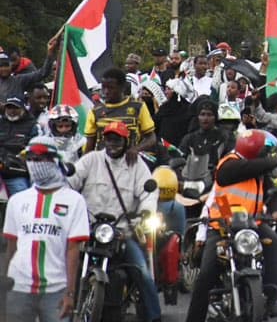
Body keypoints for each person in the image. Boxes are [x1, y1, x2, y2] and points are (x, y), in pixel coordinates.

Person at [185, 129, 277, 321]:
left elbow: (272, 190)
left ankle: (275, 295)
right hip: (222, 226)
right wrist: (273, 161)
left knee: (274, 243)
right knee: (206, 275)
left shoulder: (259, 170)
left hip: (252, 224)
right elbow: (240, 171)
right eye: (264, 152)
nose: (266, 155)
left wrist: (276, 210)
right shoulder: (228, 164)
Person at [68, 121, 161, 322]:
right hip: (88, 228)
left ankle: (154, 316)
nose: (113, 143)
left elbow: (149, 192)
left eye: (117, 140)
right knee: (60, 262)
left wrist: (145, 212)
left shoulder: (137, 165)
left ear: (126, 141)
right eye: (109, 139)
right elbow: (70, 182)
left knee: (142, 273)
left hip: (121, 231)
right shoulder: (91, 160)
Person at [1, 136, 90, 322]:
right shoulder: (17, 201)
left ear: (54, 161)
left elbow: (73, 250)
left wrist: (70, 293)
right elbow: (11, 246)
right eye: (30, 159)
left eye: (39, 158)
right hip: (19, 287)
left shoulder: (74, 201)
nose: (34, 164)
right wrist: (4, 284)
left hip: (56, 289)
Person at [82, 67, 158, 159]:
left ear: (122, 87)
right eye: (103, 87)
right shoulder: (95, 111)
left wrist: (136, 149)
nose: (106, 92)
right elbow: (90, 144)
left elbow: (151, 137)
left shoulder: (138, 107)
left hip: (129, 161)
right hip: (103, 163)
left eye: (111, 88)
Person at [177, 99, 232, 196]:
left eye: (209, 115)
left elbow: (229, 161)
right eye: (202, 114)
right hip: (191, 183)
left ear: (215, 117)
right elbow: (179, 159)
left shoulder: (224, 138)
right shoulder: (189, 138)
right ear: (198, 117)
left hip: (216, 185)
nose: (205, 118)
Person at [0, 94, 40, 195]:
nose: (12, 111)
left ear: (23, 108)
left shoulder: (33, 125)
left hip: (17, 174)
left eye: (16, 108)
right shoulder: (1, 122)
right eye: (9, 107)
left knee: (23, 198)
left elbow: (36, 150)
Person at [0, 36, 56, 102]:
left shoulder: (19, 80)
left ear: (10, 65)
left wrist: (50, 53)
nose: (4, 68)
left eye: (6, 65)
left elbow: (43, 73)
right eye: (1, 66)